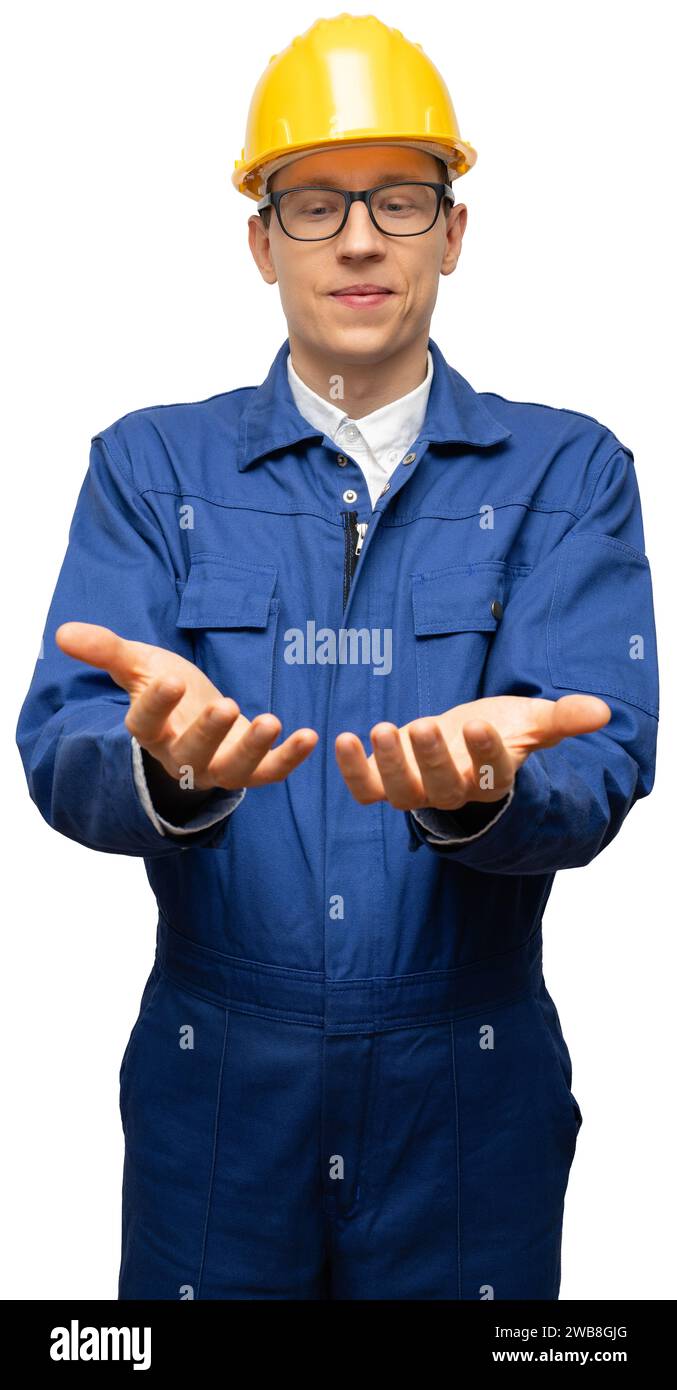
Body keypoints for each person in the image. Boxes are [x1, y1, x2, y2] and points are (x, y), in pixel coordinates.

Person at [16, 13, 659, 1300]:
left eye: (399, 199)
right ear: (259, 242)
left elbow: (599, 761)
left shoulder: (565, 473)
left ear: (453, 231)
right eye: (312, 203)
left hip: (466, 1094)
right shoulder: (151, 468)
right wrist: (165, 769)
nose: (358, 237)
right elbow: (66, 741)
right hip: (216, 1091)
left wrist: (488, 788)